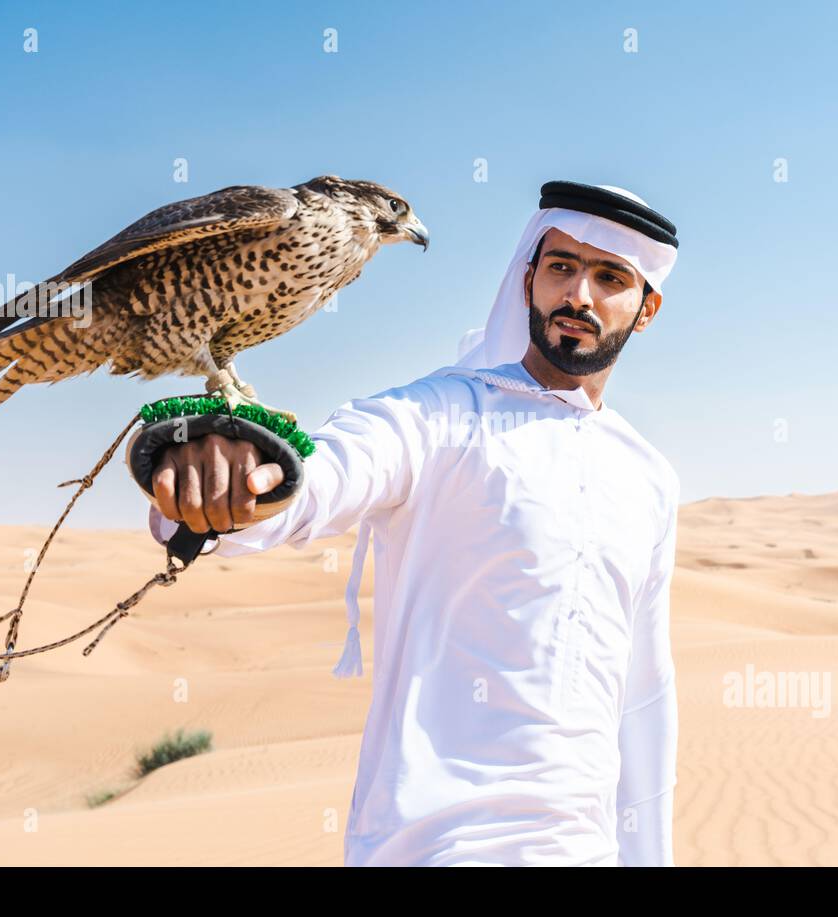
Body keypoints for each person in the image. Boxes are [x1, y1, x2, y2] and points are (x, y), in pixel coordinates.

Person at [143, 180, 682, 866]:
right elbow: (325, 475)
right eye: (561, 267)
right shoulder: (440, 414)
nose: (578, 294)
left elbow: (644, 694)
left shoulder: (648, 477)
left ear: (647, 307)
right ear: (527, 282)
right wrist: (233, 482)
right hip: (434, 848)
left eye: (609, 276)